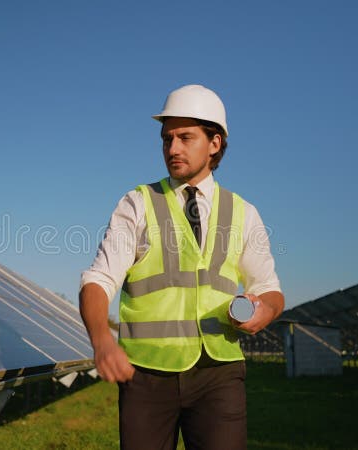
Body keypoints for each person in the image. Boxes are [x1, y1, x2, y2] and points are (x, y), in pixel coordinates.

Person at [79, 84, 284, 450]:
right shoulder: (137, 204)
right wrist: (101, 340)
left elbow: (269, 288)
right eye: (167, 139)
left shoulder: (243, 213)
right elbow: (98, 279)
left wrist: (263, 311)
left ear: (215, 143)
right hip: (145, 375)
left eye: (185, 137)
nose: (172, 149)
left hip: (219, 373)